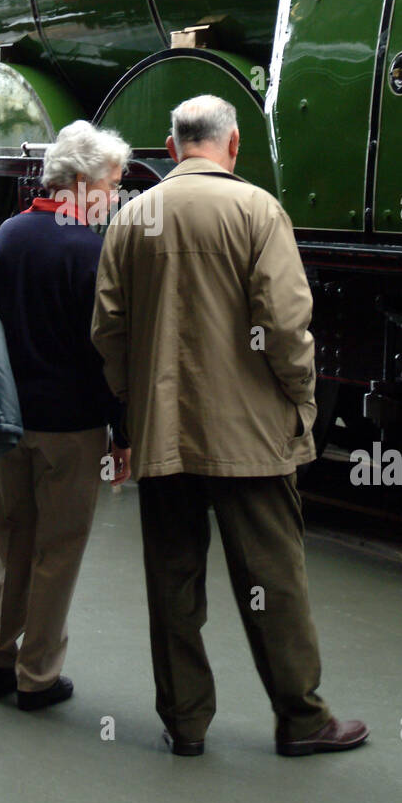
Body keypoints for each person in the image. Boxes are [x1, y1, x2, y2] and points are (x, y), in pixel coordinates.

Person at [92, 95, 369, 757]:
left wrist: (135, 402)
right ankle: (302, 719)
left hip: (163, 433)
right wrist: (300, 400)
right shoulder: (257, 211)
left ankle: (185, 723)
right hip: (250, 434)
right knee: (273, 578)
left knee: (173, 580)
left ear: (171, 146)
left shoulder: (133, 218)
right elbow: (285, 324)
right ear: (234, 144)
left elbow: (108, 329)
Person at [0, 120, 132, 711]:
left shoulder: (9, 235)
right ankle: (37, 677)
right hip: (70, 429)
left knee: (9, 539)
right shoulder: (92, 252)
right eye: (112, 185)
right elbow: (109, 352)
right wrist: (122, 433)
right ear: (83, 182)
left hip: (4, 421)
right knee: (57, 550)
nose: (114, 197)